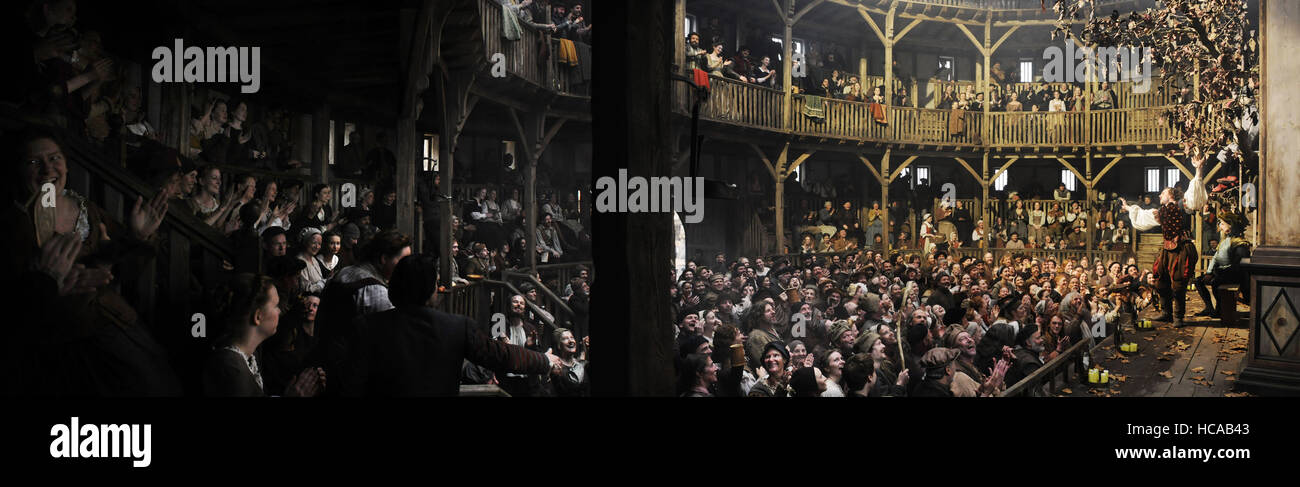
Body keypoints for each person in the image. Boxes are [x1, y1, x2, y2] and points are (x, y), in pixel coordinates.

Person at [350, 254, 562, 396]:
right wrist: (543, 360)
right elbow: (500, 354)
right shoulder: (455, 327)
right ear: (431, 289)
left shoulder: (366, 327)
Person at [1120, 151, 1206, 327]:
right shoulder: (1159, 212)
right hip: (1167, 249)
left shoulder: (1183, 205)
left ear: (1171, 195)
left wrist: (1198, 171)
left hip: (1182, 248)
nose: (1159, 196)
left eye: (1162, 193)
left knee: (1179, 283)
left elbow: (1196, 194)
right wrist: (1128, 208)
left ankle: (1178, 317)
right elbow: (1143, 216)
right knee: (1160, 281)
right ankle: (1167, 313)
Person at [203, 274, 325, 396]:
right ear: (258, 316)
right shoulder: (231, 369)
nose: (280, 311)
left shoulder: (250, 355)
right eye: (276, 305)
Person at [1194, 211, 1252, 318]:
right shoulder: (1225, 240)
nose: (1220, 226)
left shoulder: (1239, 243)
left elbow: (1239, 266)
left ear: (1230, 225)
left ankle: (1219, 309)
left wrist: (1218, 273)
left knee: (1216, 282)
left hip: (1233, 275)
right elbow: (1216, 257)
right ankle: (1209, 308)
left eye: (1222, 223)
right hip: (1221, 273)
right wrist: (1209, 272)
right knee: (1198, 281)